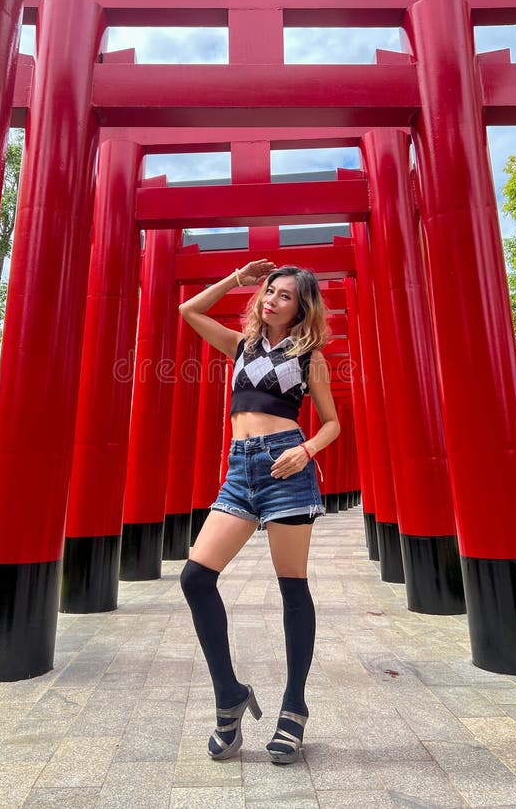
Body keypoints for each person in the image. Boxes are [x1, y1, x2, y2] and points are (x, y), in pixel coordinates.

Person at [178, 260, 340, 765]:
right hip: (240, 472)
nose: (271, 299)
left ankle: (294, 708)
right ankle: (229, 695)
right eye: (269, 291)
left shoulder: (309, 356)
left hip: (287, 467)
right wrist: (237, 278)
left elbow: (333, 423)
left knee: (292, 585)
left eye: (284, 295)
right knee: (195, 578)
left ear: (301, 307)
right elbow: (188, 309)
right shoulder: (241, 346)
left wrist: (308, 450)